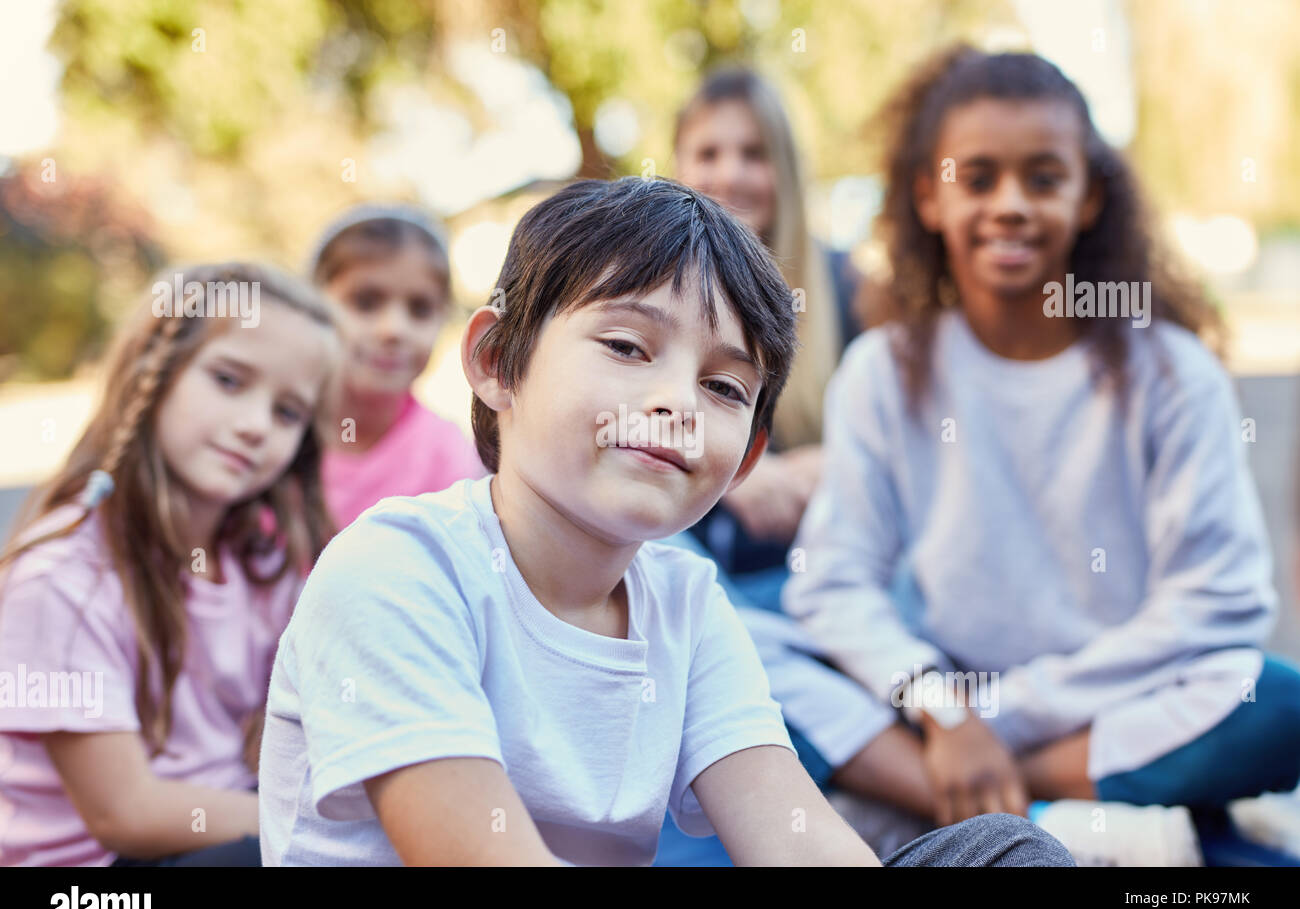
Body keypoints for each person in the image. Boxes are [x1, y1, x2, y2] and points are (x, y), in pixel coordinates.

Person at [256, 176, 1074, 866]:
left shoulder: (686, 603)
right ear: (498, 363)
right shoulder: (397, 568)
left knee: (1007, 853)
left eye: (723, 388)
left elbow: (798, 842)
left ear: (747, 459)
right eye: (626, 346)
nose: (677, 404)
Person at [781, 45, 1300, 866]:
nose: (1011, 205)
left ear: (1089, 196)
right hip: (946, 704)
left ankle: (985, 809)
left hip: (1116, 705)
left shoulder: (1171, 373)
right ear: (930, 196)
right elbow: (835, 581)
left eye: (1044, 178)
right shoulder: (884, 370)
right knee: (749, 650)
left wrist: (996, 723)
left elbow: (1218, 602)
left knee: (1272, 698)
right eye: (978, 178)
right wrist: (942, 707)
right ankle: (1105, 830)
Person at [0, 263, 340, 866]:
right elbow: (126, 814)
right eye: (229, 380)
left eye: (287, 412)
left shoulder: (261, 564)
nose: (255, 425)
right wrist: (327, 812)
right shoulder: (63, 580)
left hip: (223, 823)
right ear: (152, 374)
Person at [672, 66, 861, 611]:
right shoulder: (648, 291)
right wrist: (730, 474)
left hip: (818, 579)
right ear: (679, 166)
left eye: (754, 154)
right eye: (708, 154)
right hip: (692, 571)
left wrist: (834, 465)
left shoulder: (849, 287)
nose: (730, 174)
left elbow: (909, 443)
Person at [308, 204, 485, 531]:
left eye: (419, 309)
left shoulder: (446, 458)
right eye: (365, 302)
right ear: (312, 305)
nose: (394, 330)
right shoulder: (277, 429)